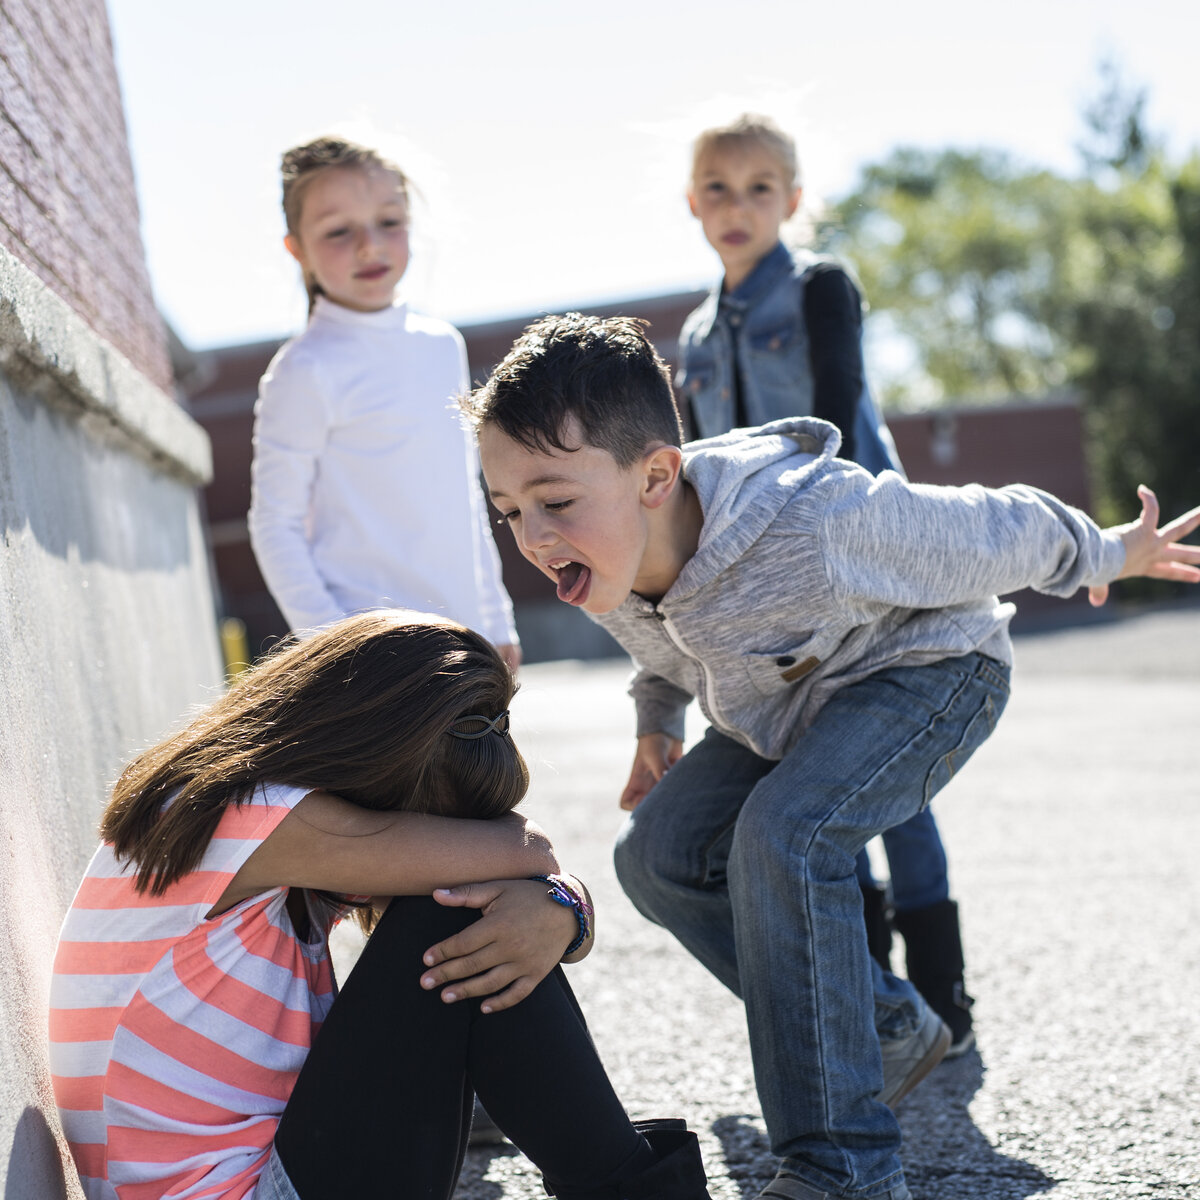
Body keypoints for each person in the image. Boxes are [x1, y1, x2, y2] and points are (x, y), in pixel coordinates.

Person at [463, 312, 1200, 1200]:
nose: (533, 537)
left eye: (554, 500)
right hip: (788, 708)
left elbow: (990, 527)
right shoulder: (599, 555)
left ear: (657, 474)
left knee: (786, 833)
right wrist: (655, 721)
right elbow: (659, 649)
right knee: (654, 856)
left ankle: (843, 1164)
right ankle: (884, 1027)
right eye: (508, 511)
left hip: (931, 674)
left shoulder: (815, 522)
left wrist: (1112, 549)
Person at [48, 610, 712, 1200]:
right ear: (373, 764)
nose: (431, 850)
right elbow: (527, 850)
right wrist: (557, 899)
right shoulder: (249, 818)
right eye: (430, 826)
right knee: (455, 912)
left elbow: (528, 869)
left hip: (265, 1172)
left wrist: (563, 908)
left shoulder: (244, 821)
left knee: (476, 914)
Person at [676, 112, 972, 1053]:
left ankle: (944, 994)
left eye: (760, 187)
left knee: (894, 786)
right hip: (766, 591)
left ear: (793, 201)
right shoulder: (692, 333)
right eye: (718, 188)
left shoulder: (819, 289)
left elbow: (839, 415)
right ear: (693, 203)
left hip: (862, 563)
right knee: (814, 781)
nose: (738, 205)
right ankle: (879, 1003)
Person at [248, 136, 520, 672]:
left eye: (388, 222)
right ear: (296, 248)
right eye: (338, 231)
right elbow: (274, 523)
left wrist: (496, 619)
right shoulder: (304, 369)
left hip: (466, 643)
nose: (369, 246)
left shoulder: (442, 344)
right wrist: (336, 645)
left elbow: (465, 497)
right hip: (373, 661)